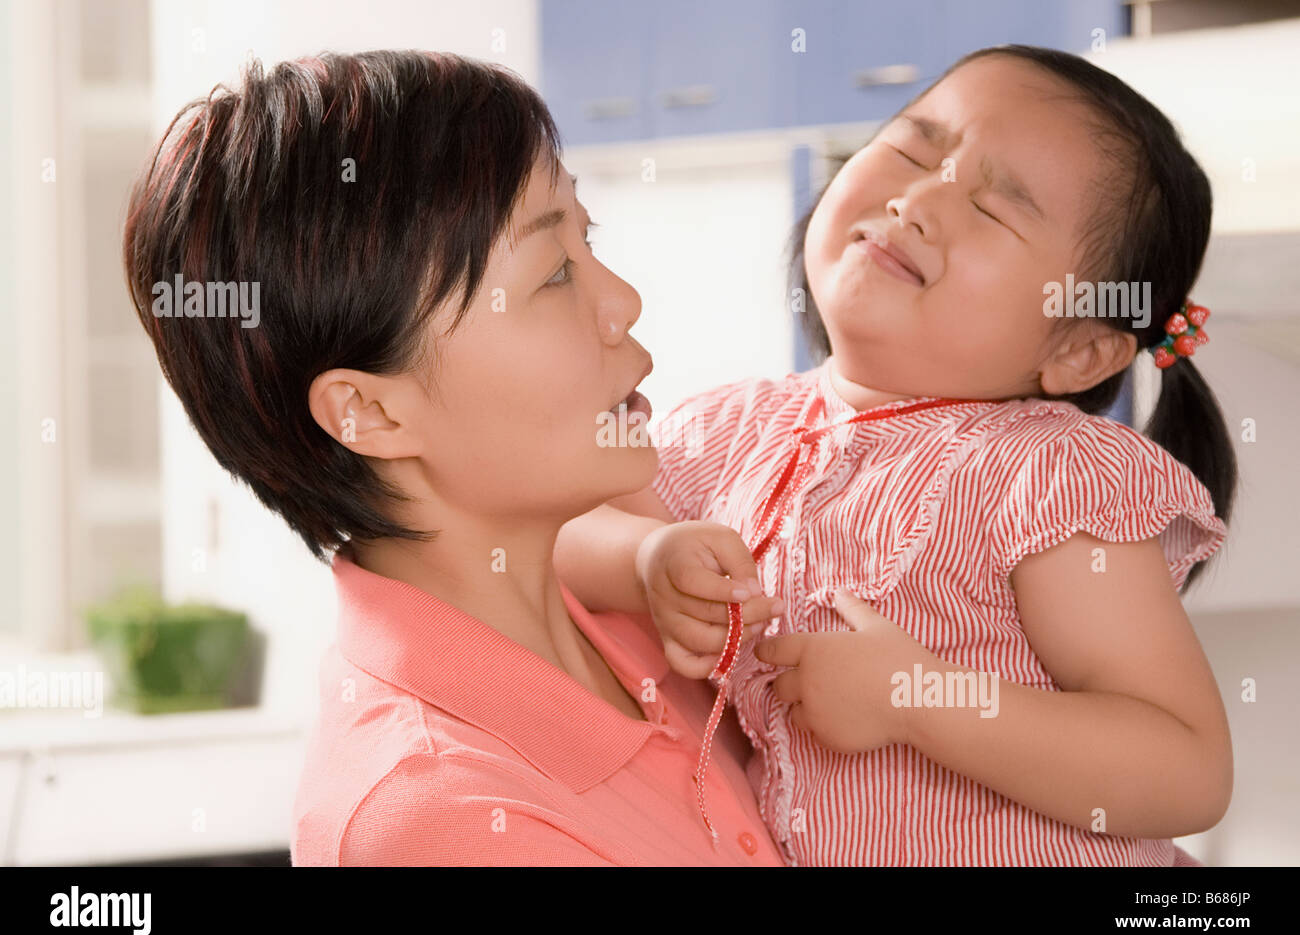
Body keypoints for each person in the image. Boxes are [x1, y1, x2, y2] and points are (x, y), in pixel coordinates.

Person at [556, 45, 1236, 866]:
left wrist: (921, 702)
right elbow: (553, 536)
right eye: (912, 150)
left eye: (995, 210)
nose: (916, 200)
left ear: (1083, 351)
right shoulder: (727, 430)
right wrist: (646, 557)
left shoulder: (1048, 476)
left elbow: (1184, 768)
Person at [122, 50, 783, 866]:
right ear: (370, 411)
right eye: (553, 275)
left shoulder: (644, 600)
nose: (623, 303)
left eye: (589, 235)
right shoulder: (444, 823)